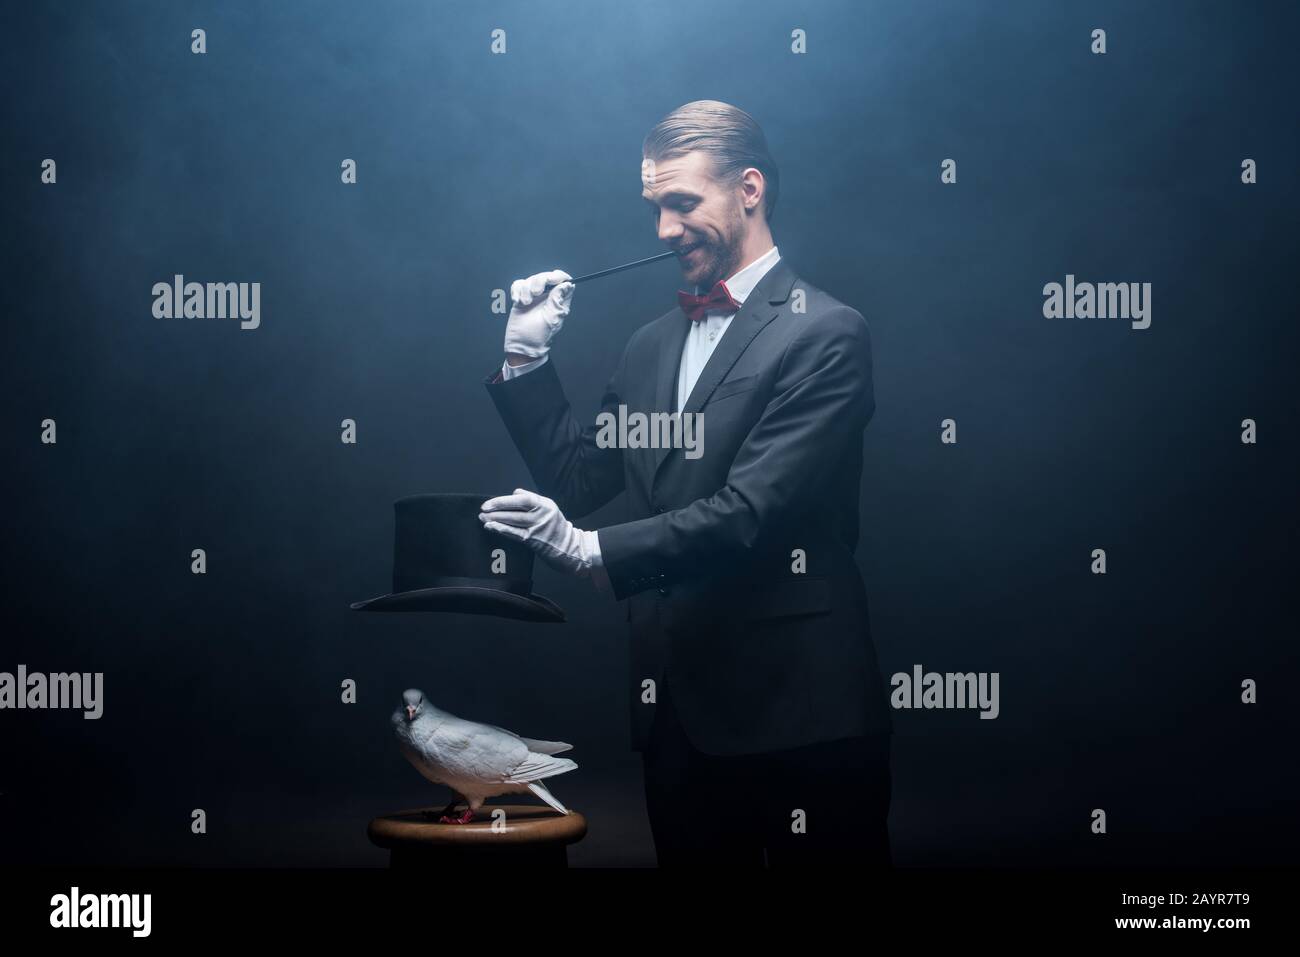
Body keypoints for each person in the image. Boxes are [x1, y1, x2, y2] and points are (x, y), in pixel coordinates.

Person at [480, 100, 893, 868]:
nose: (664, 230)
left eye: (681, 203)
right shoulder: (648, 347)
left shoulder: (827, 332)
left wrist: (587, 552)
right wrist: (527, 361)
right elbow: (577, 479)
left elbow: (749, 514)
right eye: (655, 208)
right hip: (676, 718)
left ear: (750, 189)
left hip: (803, 717)